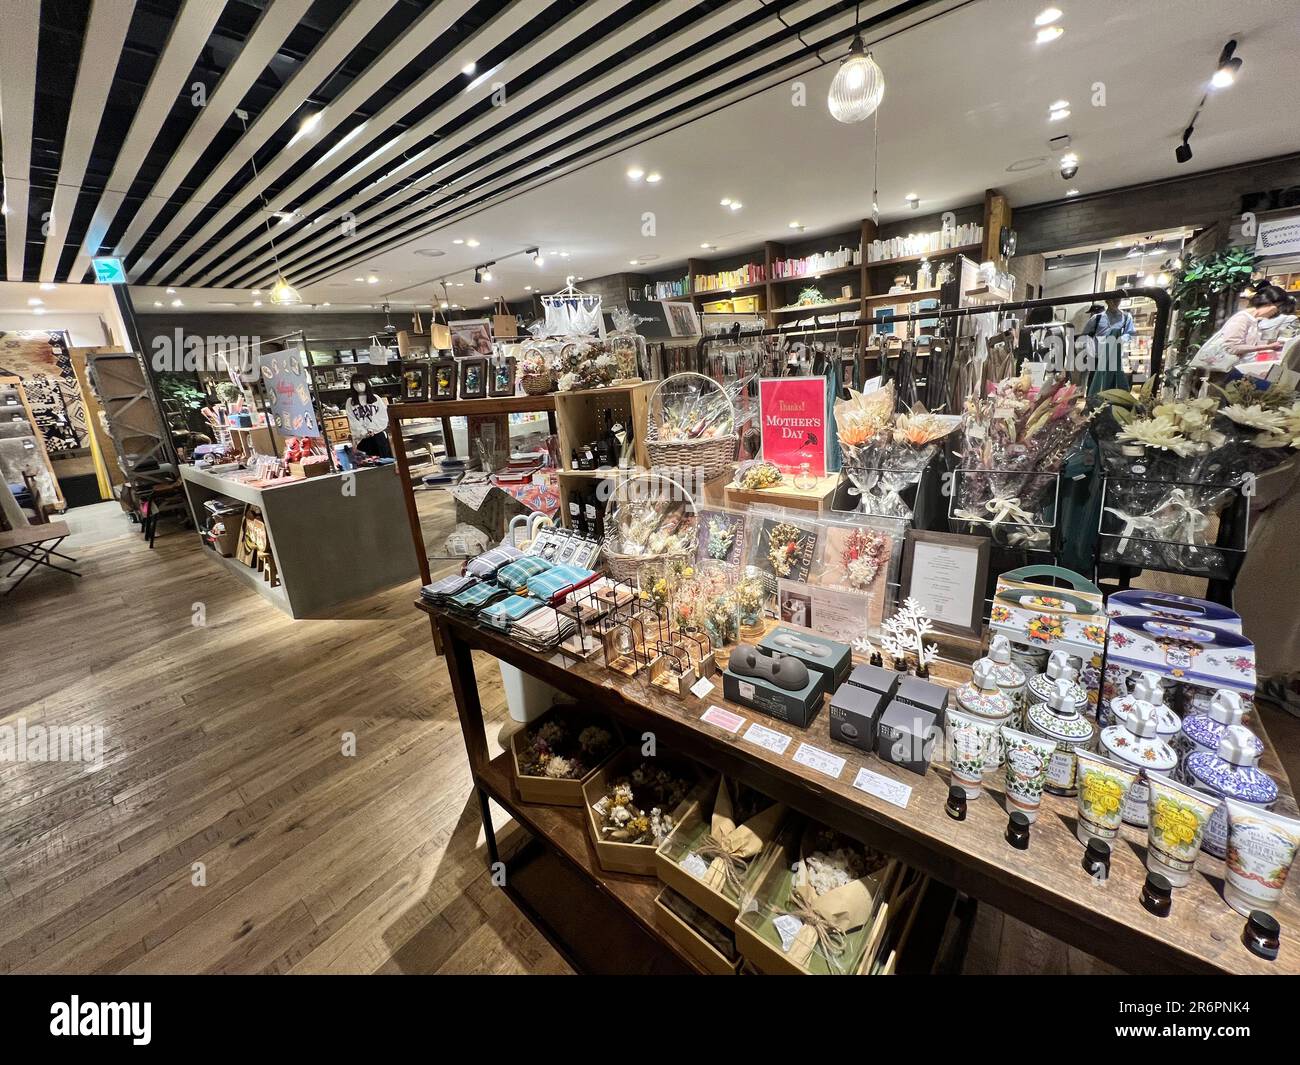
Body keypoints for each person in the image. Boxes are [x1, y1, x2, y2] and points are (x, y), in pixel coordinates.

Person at [344, 374, 391, 459]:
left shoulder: (376, 398)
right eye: (355, 383)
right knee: (367, 463)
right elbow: (352, 420)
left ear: (366, 383)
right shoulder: (350, 402)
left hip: (378, 436)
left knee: (384, 461)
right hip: (362, 439)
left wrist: (372, 429)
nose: (358, 385)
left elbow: (382, 416)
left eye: (361, 382)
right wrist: (364, 432)